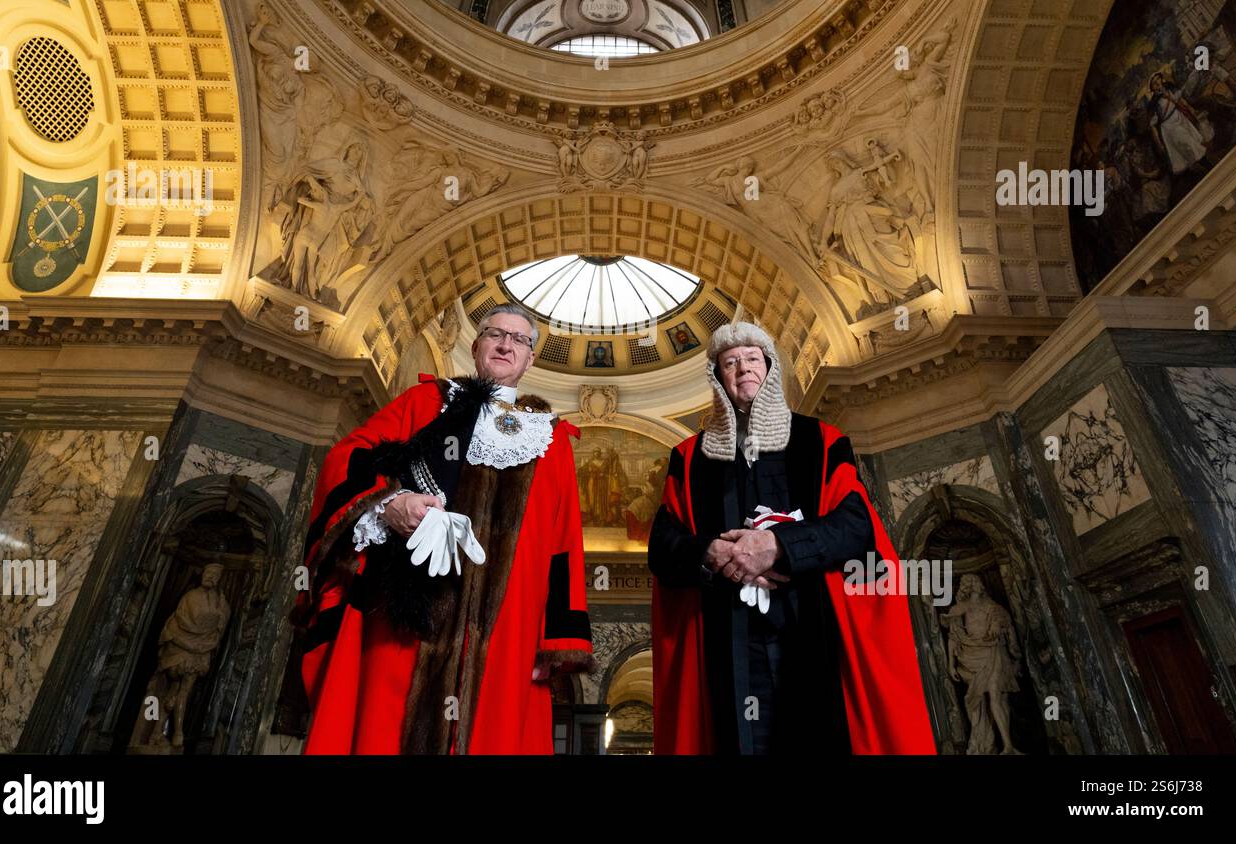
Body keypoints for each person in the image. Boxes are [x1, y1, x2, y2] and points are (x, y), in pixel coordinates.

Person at [288, 305, 593, 754]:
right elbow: (345, 459)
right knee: (384, 729)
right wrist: (390, 502)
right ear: (476, 347)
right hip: (407, 611)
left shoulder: (551, 439)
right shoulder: (425, 403)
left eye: (520, 340)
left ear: (530, 360)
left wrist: (556, 642)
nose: (506, 345)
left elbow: (564, 544)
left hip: (510, 627)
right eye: (494, 334)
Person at [648, 321, 935, 754]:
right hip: (726, 639)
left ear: (769, 368)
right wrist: (713, 551)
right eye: (730, 362)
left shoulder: (822, 441)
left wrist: (778, 547)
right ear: (718, 378)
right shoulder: (689, 457)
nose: (742, 368)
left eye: (751, 359)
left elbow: (857, 527)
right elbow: (662, 547)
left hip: (813, 629)